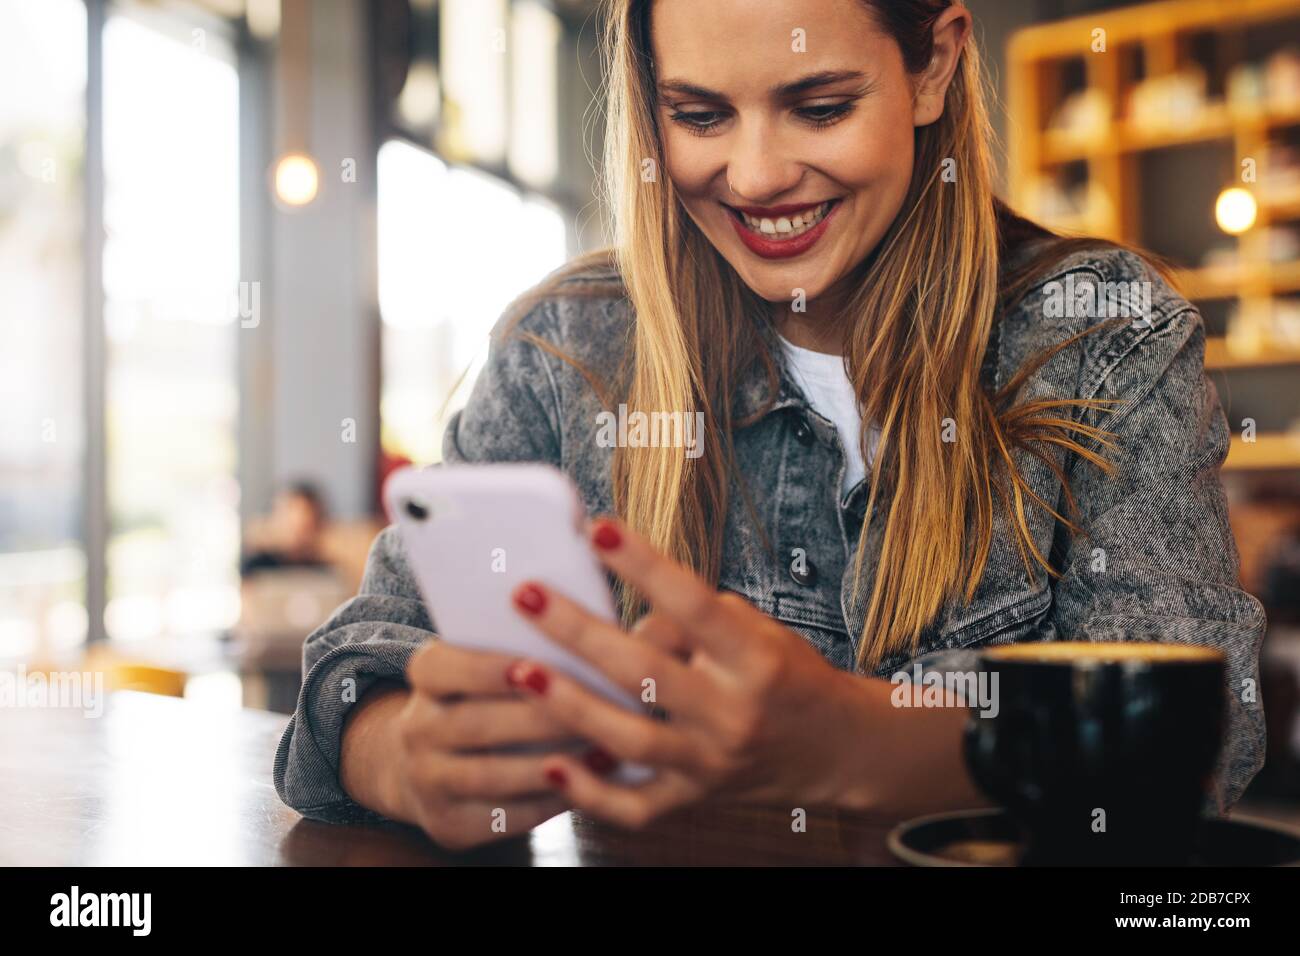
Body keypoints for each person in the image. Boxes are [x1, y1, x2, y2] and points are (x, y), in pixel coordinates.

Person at [274, 0, 1265, 850]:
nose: (752, 176)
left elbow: (1194, 742)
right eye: (699, 115)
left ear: (934, 62)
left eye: (820, 106)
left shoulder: (1102, 331)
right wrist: (407, 757)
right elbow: (351, 670)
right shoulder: (565, 348)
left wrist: (847, 738)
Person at [240, 481, 330, 577]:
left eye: (304, 526)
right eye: (287, 520)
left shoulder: (328, 565)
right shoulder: (258, 564)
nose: (295, 533)